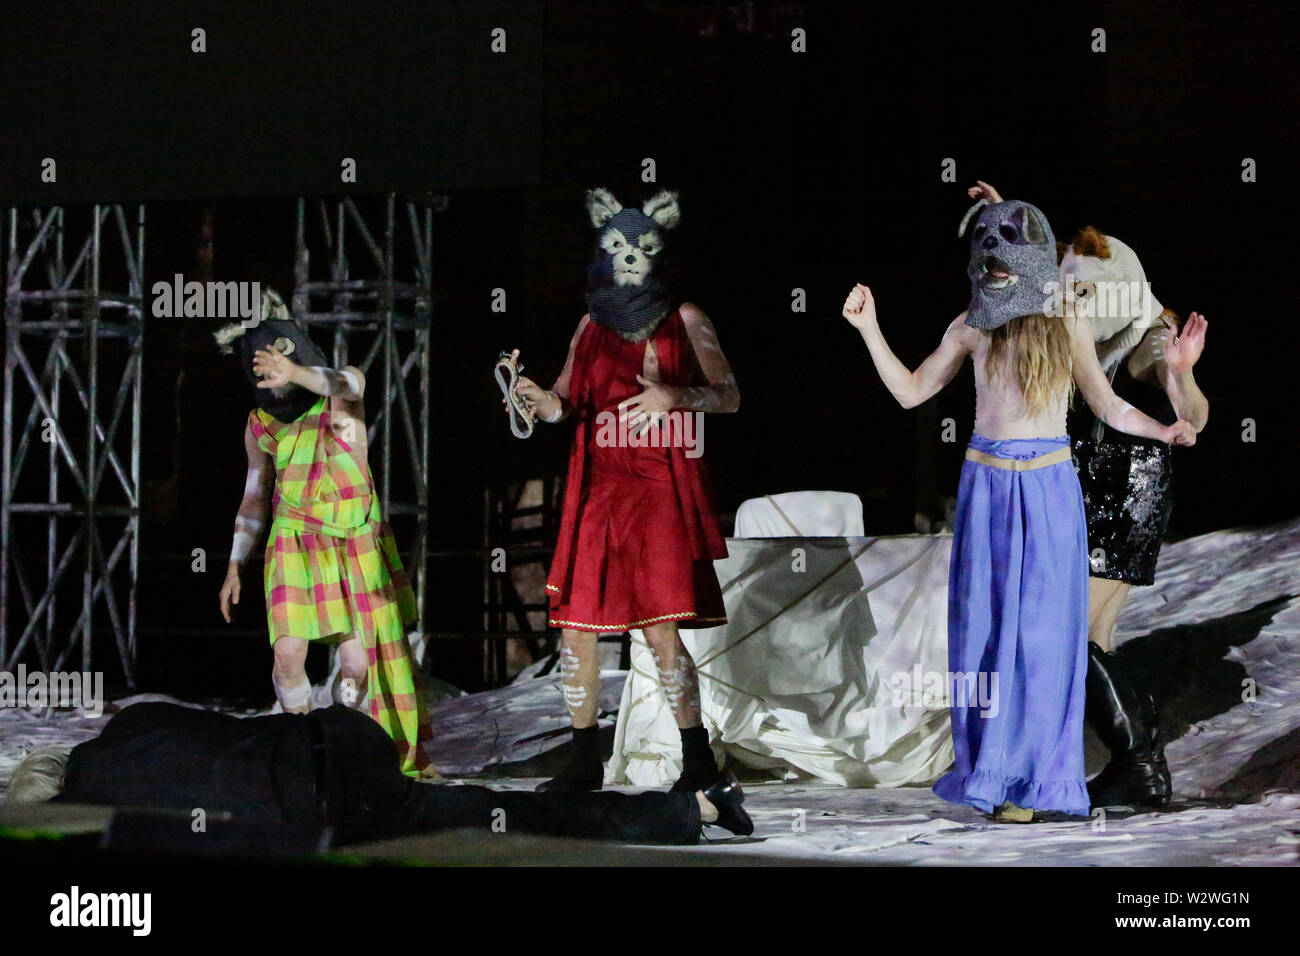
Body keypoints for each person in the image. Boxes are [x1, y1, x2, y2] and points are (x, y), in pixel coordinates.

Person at [841, 196, 1195, 821]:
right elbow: (911, 392)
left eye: (1010, 251)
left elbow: (1109, 406)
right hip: (989, 488)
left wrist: (1164, 431)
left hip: (1050, 489)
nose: (995, 262)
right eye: (985, 249)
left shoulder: (1065, 322)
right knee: (987, 631)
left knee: (1044, 637)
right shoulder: (971, 326)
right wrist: (870, 329)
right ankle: (996, 772)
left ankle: (1037, 782)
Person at [973, 181, 1211, 808]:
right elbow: (1027, 280)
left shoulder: (1149, 330)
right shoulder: (1074, 322)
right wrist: (1011, 219)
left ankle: (1139, 761)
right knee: (1090, 639)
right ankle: (1124, 766)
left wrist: (1183, 380)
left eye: (1080, 285)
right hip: (1077, 481)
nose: (1066, 290)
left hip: (1129, 487)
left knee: (1066, 633)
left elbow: (1196, 409)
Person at [506, 188, 739, 794]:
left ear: (660, 251)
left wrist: (674, 396)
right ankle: (584, 757)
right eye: (618, 246)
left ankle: (698, 761)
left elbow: (729, 395)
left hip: (657, 486)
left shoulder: (685, 318)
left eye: (642, 246)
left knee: (660, 628)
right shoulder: (590, 324)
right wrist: (540, 402)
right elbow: (566, 402)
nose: (630, 257)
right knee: (576, 626)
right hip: (599, 490)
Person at [5, 701, 753, 846]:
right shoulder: (128, 731)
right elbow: (216, 724)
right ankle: (699, 809)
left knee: (497, 816)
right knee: (492, 808)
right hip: (340, 742)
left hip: (318, 816)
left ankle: (697, 814)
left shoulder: (106, 824)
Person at [214, 289, 432, 777]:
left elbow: (346, 381)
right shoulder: (261, 424)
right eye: (262, 371)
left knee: (356, 664)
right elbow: (253, 495)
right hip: (294, 539)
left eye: (277, 365)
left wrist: (295, 374)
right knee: (289, 653)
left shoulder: (340, 396)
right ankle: (302, 748)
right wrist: (234, 563)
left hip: (352, 541)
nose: (271, 377)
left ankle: (343, 741)